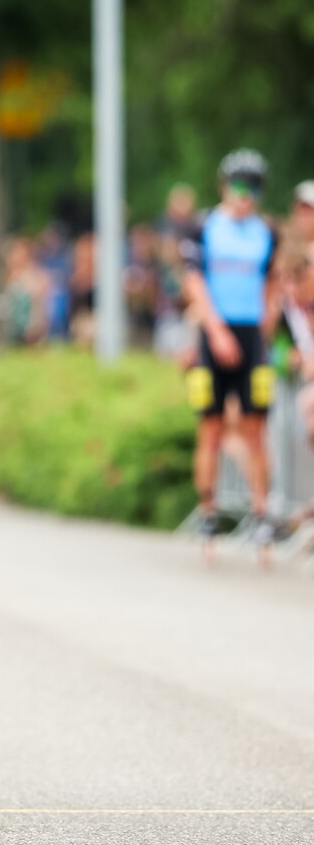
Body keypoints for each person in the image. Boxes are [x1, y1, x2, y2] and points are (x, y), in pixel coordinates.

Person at [181, 148, 280, 561]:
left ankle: (262, 515)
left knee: (257, 429)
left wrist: (266, 326)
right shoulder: (204, 227)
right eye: (239, 186)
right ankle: (209, 514)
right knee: (212, 428)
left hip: (252, 335)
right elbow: (194, 282)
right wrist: (216, 331)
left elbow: (271, 282)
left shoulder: (266, 232)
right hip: (214, 334)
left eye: (253, 188)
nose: (245, 196)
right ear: (225, 187)